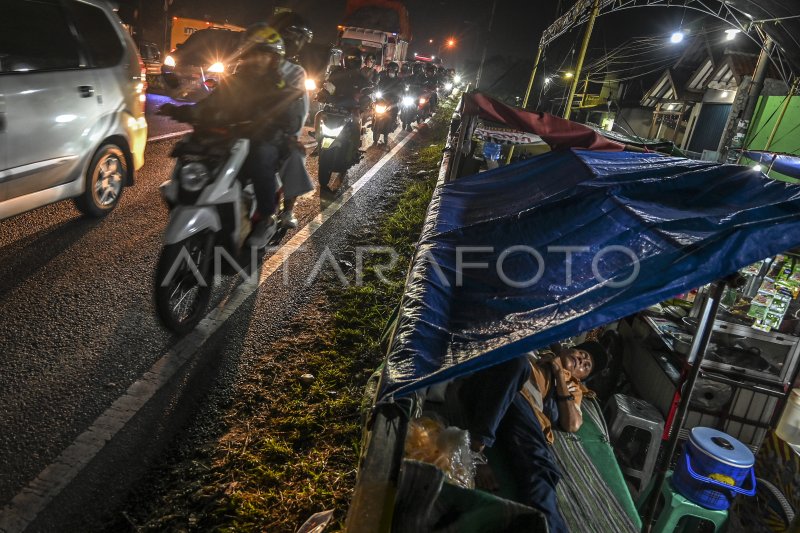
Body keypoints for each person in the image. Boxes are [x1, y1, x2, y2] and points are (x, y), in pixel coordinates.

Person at [159, 24, 301, 247]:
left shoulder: (280, 86)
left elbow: (289, 117)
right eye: (252, 53)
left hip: (262, 141)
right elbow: (209, 105)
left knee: (261, 158)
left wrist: (268, 126)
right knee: (190, 149)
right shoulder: (232, 82)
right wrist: (179, 111)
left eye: (263, 54)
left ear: (273, 59)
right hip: (231, 138)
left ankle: (265, 217)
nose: (256, 59)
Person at [457, 341, 609, 533]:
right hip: (487, 390)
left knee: (540, 469)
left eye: (586, 366)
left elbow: (572, 424)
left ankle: (549, 528)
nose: (582, 359)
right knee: (518, 363)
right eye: (582, 353)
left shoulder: (573, 387)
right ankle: (475, 450)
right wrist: (552, 350)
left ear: (581, 377)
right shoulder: (537, 349)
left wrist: (559, 374)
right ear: (568, 349)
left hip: (521, 413)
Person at [269, 12, 315, 229]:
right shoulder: (251, 62)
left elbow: (297, 109)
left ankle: (287, 210)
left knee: (294, 154)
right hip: (245, 126)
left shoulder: (295, 71)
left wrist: (289, 135)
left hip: (277, 131)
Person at [313, 46, 372, 180]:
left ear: (359, 60)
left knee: (357, 121)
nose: (351, 61)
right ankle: (318, 142)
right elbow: (328, 86)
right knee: (318, 115)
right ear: (344, 59)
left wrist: (365, 99)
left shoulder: (361, 77)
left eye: (354, 59)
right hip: (333, 107)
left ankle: (355, 148)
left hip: (351, 110)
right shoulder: (336, 72)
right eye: (349, 58)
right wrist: (322, 93)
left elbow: (368, 91)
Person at [373, 61, 403, 143]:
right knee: (374, 111)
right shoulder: (383, 79)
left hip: (392, 103)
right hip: (382, 101)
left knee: (392, 115)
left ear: (396, 71)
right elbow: (378, 88)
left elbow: (401, 92)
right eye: (390, 70)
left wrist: (396, 99)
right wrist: (376, 94)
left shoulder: (399, 81)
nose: (391, 72)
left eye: (393, 71)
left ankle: (387, 133)